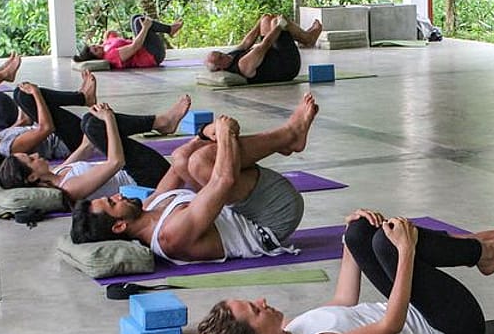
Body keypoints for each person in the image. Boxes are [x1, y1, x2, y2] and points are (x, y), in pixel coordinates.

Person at [149, 209, 494, 334]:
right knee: (390, 244)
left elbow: (344, 302)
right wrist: (408, 253)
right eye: (254, 309)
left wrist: (350, 240)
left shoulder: (289, 333)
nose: (262, 301)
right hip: (448, 332)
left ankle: (477, 248)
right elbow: (389, 325)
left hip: (420, 312)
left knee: (365, 231)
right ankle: (481, 252)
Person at [71, 95, 321, 263]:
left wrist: (204, 133)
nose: (118, 195)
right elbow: (223, 181)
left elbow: (179, 161)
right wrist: (225, 135)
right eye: (113, 203)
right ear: (119, 226)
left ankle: (288, 140)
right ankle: (289, 135)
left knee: (184, 159)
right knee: (201, 162)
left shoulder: (148, 207)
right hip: (271, 217)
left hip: (243, 205)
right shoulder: (169, 236)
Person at [0, 93, 193, 204]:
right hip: (147, 177)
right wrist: (108, 120)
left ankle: (161, 122)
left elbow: (85, 147)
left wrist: (94, 123)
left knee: (90, 122)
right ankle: (162, 122)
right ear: (31, 177)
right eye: (31, 160)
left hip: (135, 169)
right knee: (96, 124)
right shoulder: (69, 188)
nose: (36, 155)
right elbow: (116, 162)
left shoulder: (58, 172)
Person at [0, 71, 97, 157]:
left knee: (20, 94)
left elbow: (23, 121)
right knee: (27, 96)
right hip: (69, 140)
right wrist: (36, 94)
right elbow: (46, 128)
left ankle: (82, 97)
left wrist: (23, 102)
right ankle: (82, 98)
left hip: (60, 132)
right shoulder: (9, 147)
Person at [204, 14, 323, 83]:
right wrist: (279, 26)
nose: (224, 55)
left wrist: (260, 21)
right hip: (287, 66)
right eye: (221, 57)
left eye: (220, 53)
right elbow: (265, 44)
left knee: (267, 19)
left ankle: (306, 38)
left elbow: (246, 42)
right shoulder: (242, 65)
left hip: (275, 53)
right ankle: (308, 39)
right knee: (278, 20)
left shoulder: (231, 56)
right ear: (220, 68)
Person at [74, 14, 183, 69]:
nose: (98, 46)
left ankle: (170, 29)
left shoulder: (105, 46)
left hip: (146, 48)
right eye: (96, 50)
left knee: (135, 17)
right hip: (153, 55)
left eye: (95, 45)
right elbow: (136, 46)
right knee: (139, 22)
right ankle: (170, 29)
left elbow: (112, 35)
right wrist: (145, 28)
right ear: (98, 58)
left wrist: (106, 37)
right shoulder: (111, 56)